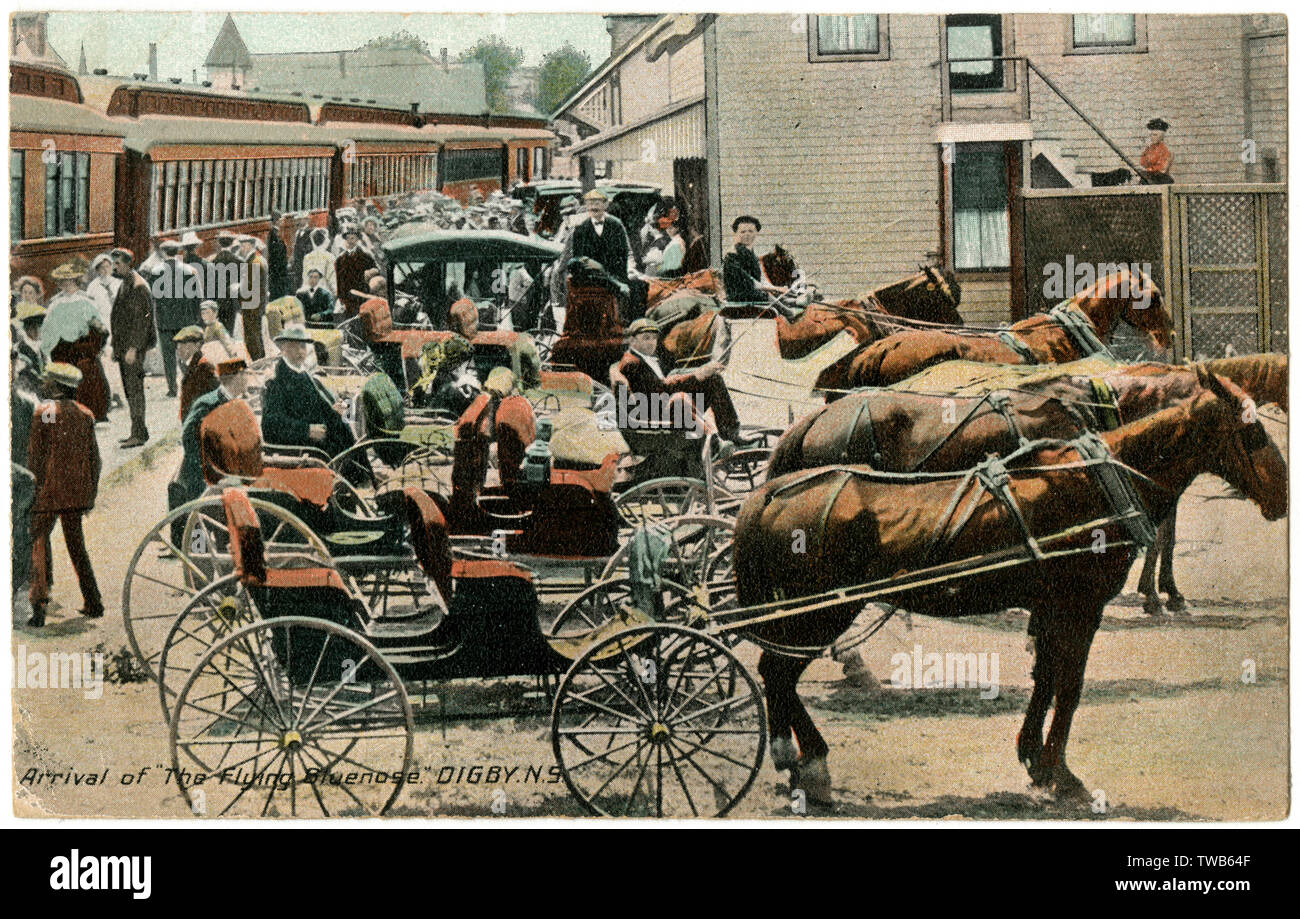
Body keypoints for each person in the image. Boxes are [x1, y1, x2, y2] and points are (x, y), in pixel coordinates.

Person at [26, 362, 103, 627]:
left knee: (38, 542)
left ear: (56, 387)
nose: (43, 384)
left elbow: (36, 457)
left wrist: (32, 489)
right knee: (77, 547)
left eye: (47, 381)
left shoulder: (46, 411)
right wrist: (90, 494)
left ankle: (38, 606)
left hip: (48, 493)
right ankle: (93, 601)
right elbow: (95, 460)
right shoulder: (85, 414)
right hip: (77, 495)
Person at [613, 317, 757, 451]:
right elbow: (660, 388)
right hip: (654, 416)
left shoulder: (643, 357)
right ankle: (715, 443)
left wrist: (700, 374)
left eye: (654, 338)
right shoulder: (631, 363)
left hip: (659, 405)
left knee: (713, 379)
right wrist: (696, 375)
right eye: (646, 338)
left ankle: (730, 432)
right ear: (632, 340)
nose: (651, 342)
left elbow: (662, 383)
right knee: (680, 399)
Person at [261, 325, 367, 482]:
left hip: (321, 435)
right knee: (344, 440)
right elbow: (270, 425)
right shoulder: (277, 382)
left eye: (303, 346)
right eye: (294, 346)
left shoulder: (302, 374)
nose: (300, 352)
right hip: (301, 445)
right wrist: (306, 430)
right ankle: (355, 482)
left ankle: (362, 478)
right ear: (283, 349)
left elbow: (318, 404)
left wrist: (336, 409)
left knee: (351, 422)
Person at [173, 352, 250, 522]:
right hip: (200, 474)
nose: (248, 379)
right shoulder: (208, 404)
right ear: (236, 377)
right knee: (198, 523)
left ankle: (223, 542)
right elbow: (189, 438)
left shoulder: (233, 402)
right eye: (246, 375)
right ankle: (198, 548)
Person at [43, 261, 111, 423]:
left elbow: (98, 327)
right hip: (62, 350)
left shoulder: (86, 301)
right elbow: (48, 330)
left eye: (70, 280)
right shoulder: (55, 304)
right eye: (64, 281)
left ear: (76, 281)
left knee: (88, 375)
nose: (67, 284)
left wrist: (95, 345)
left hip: (83, 348)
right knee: (62, 377)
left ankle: (92, 413)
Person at [109, 247, 157, 447]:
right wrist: (115, 346)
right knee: (131, 390)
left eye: (117, 263)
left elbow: (141, 322)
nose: (114, 267)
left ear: (128, 263)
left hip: (132, 349)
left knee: (134, 390)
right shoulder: (127, 282)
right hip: (125, 347)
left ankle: (138, 433)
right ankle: (138, 431)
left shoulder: (137, 286)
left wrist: (133, 348)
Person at [150, 238, 201, 397]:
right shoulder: (190, 270)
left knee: (168, 356)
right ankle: (190, 384)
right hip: (185, 321)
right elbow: (197, 296)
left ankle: (172, 388)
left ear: (164, 252)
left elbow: (152, 297)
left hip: (165, 321)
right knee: (187, 353)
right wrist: (195, 317)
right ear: (178, 251)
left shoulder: (155, 271)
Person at [567, 189, 631, 302]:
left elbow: (623, 255)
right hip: (591, 281)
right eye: (590, 203)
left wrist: (606, 271)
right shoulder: (580, 228)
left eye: (597, 203)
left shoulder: (616, 226)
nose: (593, 207)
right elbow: (577, 256)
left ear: (606, 204)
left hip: (614, 278)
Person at [723, 215, 787, 304]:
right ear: (736, 234)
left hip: (754, 293)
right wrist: (775, 288)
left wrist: (777, 288)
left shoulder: (752, 255)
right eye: (742, 232)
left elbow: (761, 279)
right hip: (738, 296)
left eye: (750, 231)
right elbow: (750, 281)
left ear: (756, 232)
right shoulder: (732, 256)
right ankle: (790, 313)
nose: (747, 235)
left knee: (780, 296)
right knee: (768, 296)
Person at [174, 326, 218, 420]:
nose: (179, 348)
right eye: (178, 344)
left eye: (184, 344)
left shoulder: (204, 367)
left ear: (197, 344)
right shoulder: (190, 365)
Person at [335, 226, 377, 318]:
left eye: (352, 238)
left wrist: (370, 272)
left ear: (357, 239)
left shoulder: (365, 255)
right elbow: (338, 279)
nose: (350, 240)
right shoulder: (340, 259)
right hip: (347, 295)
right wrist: (340, 297)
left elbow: (376, 269)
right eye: (347, 238)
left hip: (362, 293)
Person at [209, 231, 242, 333]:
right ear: (232, 243)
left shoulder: (213, 261)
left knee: (220, 328)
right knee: (230, 328)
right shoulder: (238, 261)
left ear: (219, 243)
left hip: (218, 299)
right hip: (232, 300)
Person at [14, 302, 46, 396]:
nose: (36, 331)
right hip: (27, 391)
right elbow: (22, 373)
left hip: (41, 391)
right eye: (33, 327)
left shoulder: (41, 347)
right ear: (26, 328)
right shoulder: (19, 349)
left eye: (38, 327)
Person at [1138, 117, 1174, 185]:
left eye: (1155, 135)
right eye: (1151, 135)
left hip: (1160, 179)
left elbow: (1162, 169)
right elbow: (1142, 162)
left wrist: (1147, 170)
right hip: (1148, 177)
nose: (1152, 137)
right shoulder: (1148, 149)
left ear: (1161, 136)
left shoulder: (1166, 150)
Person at [302, 227, 338, 296]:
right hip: (324, 293)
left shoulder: (307, 257)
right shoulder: (329, 257)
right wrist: (336, 293)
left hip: (309, 293)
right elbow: (332, 278)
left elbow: (305, 278)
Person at [267, 210, 290, 300]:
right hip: (278, 272)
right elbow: (277, 255)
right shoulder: (274, 234)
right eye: (281, 220)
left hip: (276, 272)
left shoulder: (274, 233)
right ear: (277, 221)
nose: (282, 222)